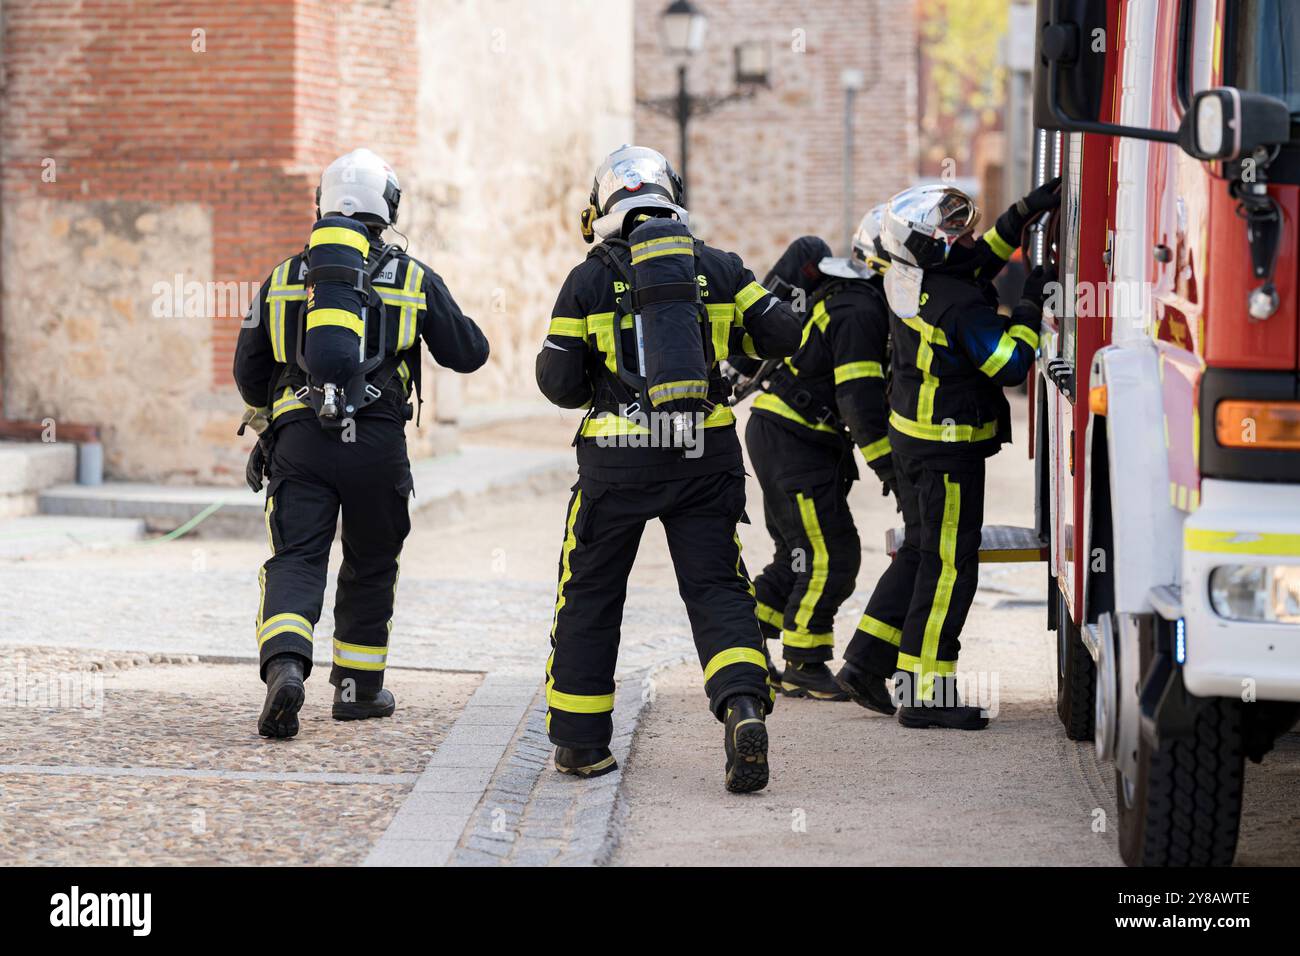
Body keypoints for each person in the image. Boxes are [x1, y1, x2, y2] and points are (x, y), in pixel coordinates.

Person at [536, 145, 801, 792]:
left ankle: (580, 743)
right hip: (702, 455)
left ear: (605, 206)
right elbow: (783, 336)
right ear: (671, 194)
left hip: (615, 463)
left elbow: (558, 383)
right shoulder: (717, 265)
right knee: (717, 589)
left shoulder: (587, 279)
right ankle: (741, 707)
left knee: (592, 593)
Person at [234, 148, 490, 739]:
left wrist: (275, 416)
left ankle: (286, 669)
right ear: (387, 208)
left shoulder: (281, 279)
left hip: (300, 442)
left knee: (296, 559)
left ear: (322, 204)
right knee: (371, 563)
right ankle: (357, 692)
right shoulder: (411, 278)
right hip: (376, 444)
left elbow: (248, 374)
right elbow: (469, 353)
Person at [835, 180, 1059, 729]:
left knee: (919, 554)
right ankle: (926, 694)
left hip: (916, 440)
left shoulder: (911, 278)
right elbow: (1008, 363)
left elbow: (980, 259)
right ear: (935, 247)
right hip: (946, 452)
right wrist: (1030, 306)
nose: (970, 237)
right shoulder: (958, 303)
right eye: (957, 233)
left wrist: (1024, 213)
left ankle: (866, 662)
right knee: (947, 568)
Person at [740, 215, 896, 705]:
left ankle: (742, 644)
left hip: (784, 435)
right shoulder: (858, 311)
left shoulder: (851, 297)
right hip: (794, 442)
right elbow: (858, 399)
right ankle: (804, 663)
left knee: (797, 556)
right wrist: (889, 467)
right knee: (833, 557)